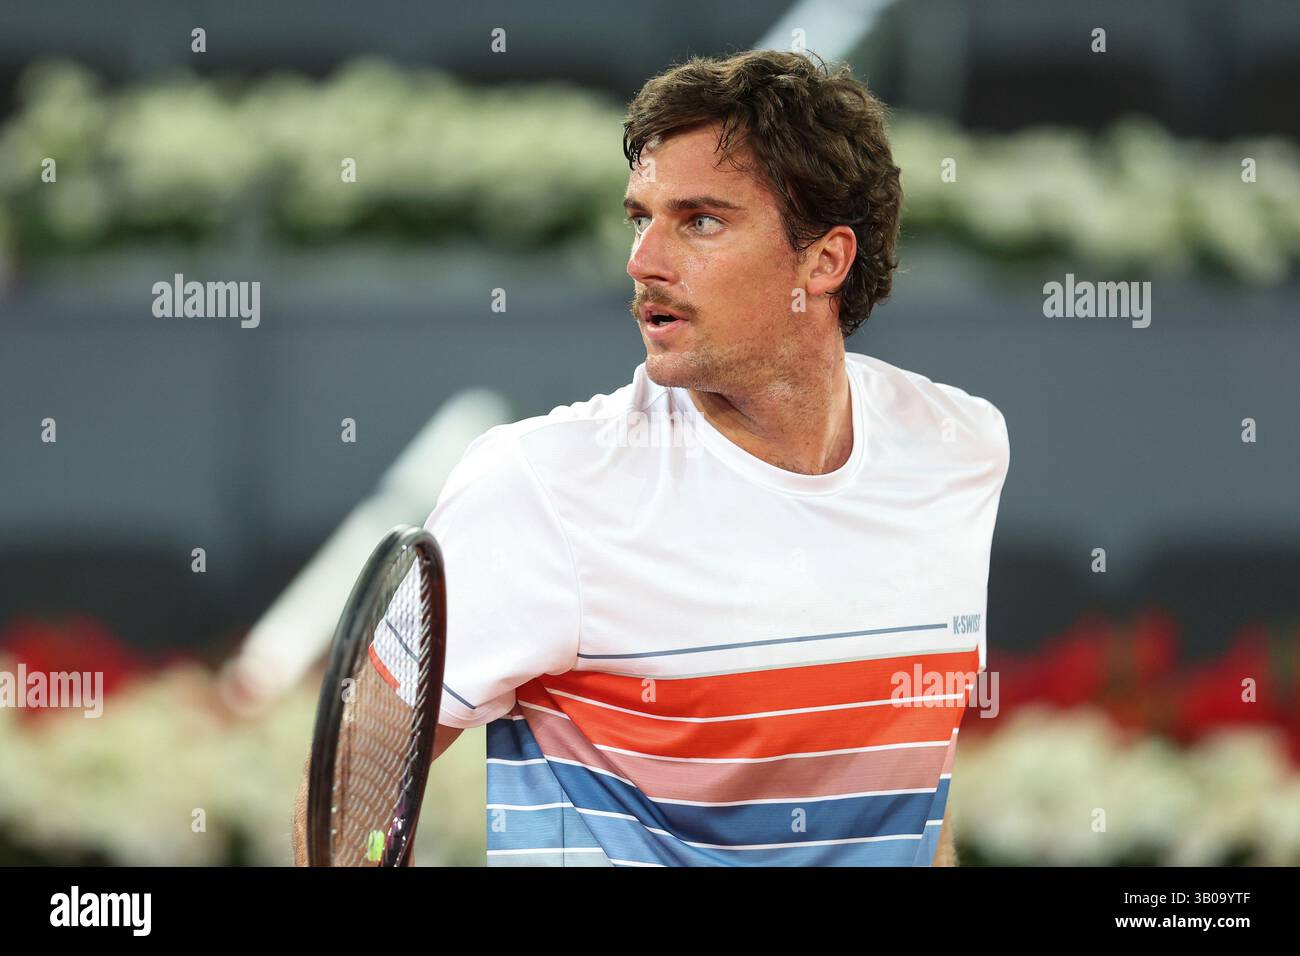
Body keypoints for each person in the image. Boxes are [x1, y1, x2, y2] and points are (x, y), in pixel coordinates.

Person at [294, 48, 1008, 867]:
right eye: (642, 218)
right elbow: (345, 806)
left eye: (700, 221)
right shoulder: (537, 488)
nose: (643, 262)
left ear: (824, 261)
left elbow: (918, 803)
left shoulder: (959, 451)